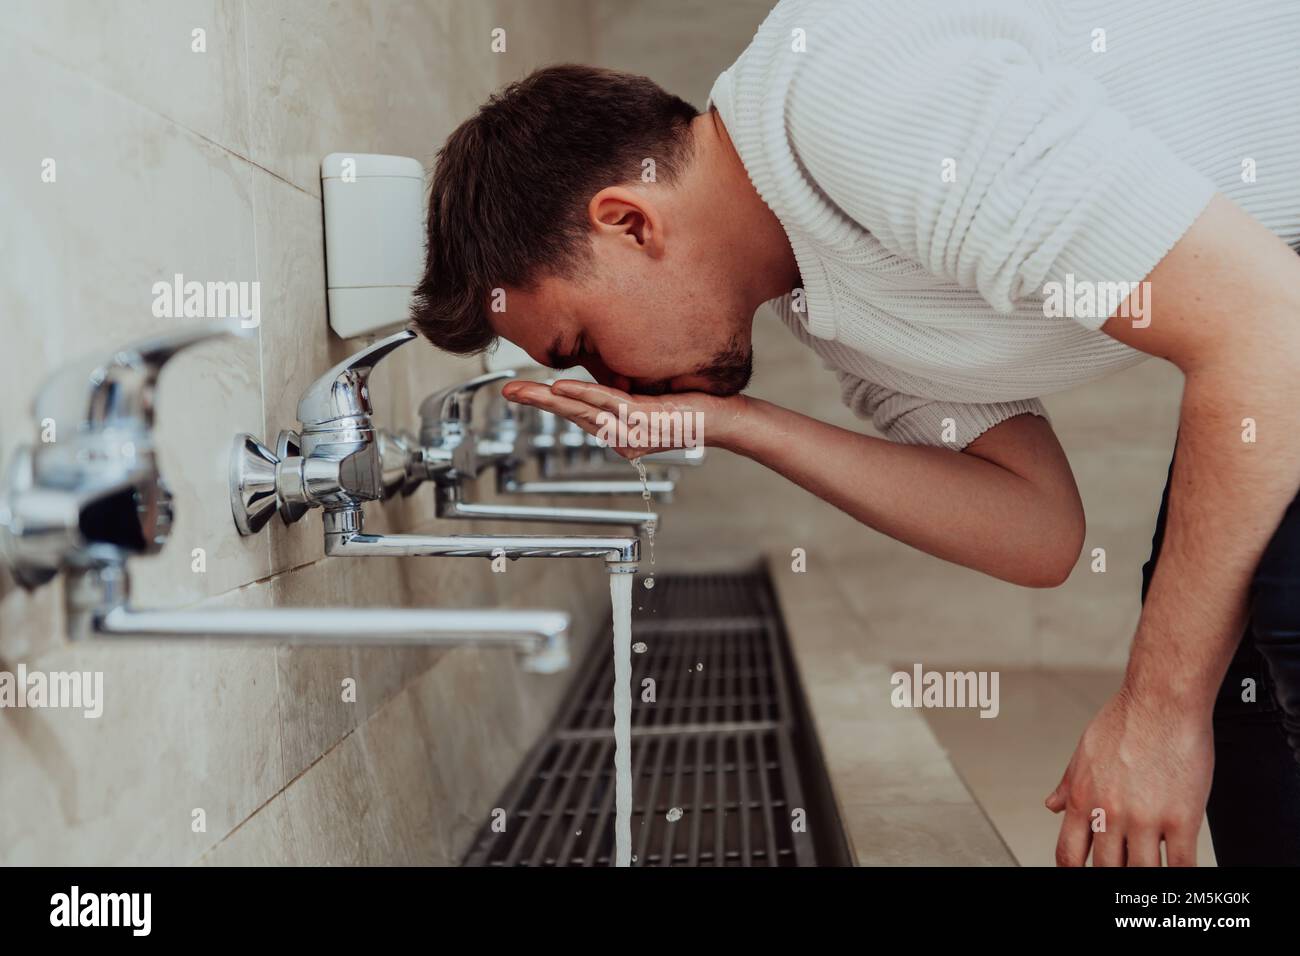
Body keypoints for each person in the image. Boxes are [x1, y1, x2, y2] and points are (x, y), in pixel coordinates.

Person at [410, 0, 1300, 865]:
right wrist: (738, 425)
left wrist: (1153, 714)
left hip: (1279, 318)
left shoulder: (853, 100)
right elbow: (1039, 531)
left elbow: (1268, 333)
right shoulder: (831, 310)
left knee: (1256, 633)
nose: (615, 390)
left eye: (584, 347)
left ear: (627, 221)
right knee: (1241, 663)